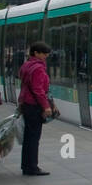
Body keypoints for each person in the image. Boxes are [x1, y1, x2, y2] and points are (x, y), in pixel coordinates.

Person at [18, 41, 54, 176]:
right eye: (44, 53)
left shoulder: (27, 65)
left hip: (26, 104)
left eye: (47, 54)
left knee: (28, 137)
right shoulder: (38, 68)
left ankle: (26, 166)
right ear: (36, 53)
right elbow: (38, 89)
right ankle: (32, 167)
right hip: (34, 105)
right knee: (34, 137)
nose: (46, 56)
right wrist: (46, 106)